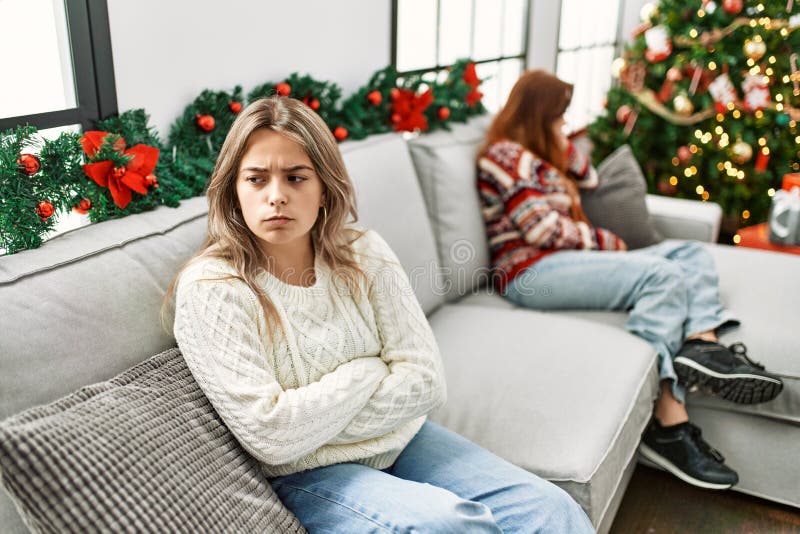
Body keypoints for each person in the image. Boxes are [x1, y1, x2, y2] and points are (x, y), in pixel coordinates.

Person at [167, 96, 595, 533]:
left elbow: (426, 380)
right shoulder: (214, 288)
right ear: (234, 191)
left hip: (403, 440)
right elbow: (273, 436)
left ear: (324, 187)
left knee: (549, 508)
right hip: (309, 475)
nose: (276, 196)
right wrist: (368, 372)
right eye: (256, 179)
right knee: (446, 526)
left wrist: (311, 421)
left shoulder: (363, 251)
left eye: (296, 178)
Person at [476, 70, 784, 491]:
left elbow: (590, 179)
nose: (565, 125)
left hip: (563, 261)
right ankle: (668, 421)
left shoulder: (540, 153)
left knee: (689, 253)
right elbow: (541, 230)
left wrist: (561, 146)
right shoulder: (505, 155)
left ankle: (704, 346)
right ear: (538, 113)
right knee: (663, 275)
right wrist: (608, 241)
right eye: (559, 116)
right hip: (530, 273)